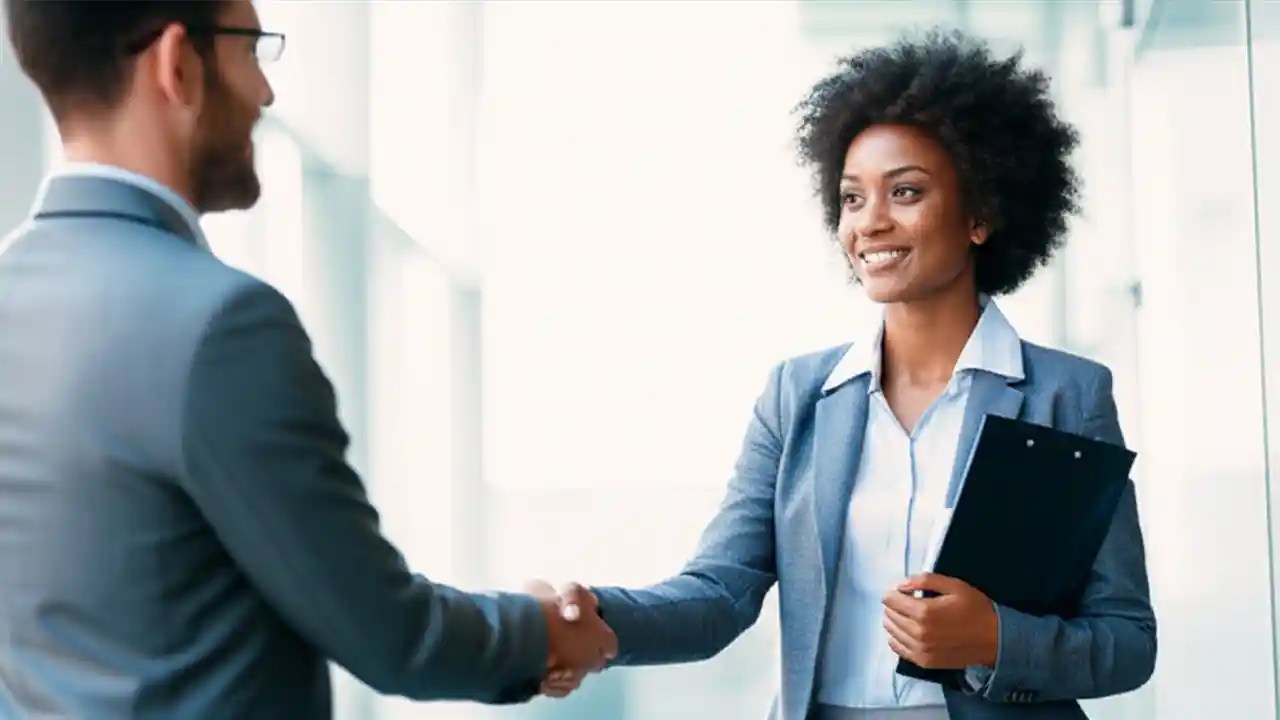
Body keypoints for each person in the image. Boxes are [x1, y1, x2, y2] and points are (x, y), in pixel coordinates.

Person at [0, 1, 616, 717]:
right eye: (252, 50)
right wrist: (543, 629)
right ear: (178, 65)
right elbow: (392, 634)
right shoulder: (221, 325)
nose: (265, 92)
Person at [537, 30, 1156, 720]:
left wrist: (994, 638)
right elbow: (719, 592)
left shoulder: (1066, 396)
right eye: (853, 199)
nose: (871, 224)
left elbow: (1126, 639)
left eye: (907, 191)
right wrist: (592, 619)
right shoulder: (796, 397)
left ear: (981, 213)